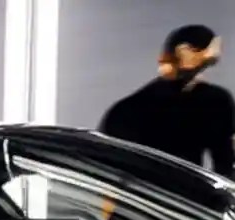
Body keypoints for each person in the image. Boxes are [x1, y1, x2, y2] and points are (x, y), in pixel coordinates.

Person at [100, 24, 235, 178]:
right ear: (183, 51)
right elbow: (226, 165)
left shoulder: (124, 110)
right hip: (175, 196)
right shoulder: (214, 102)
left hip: (150, 195)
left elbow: (225, 163)